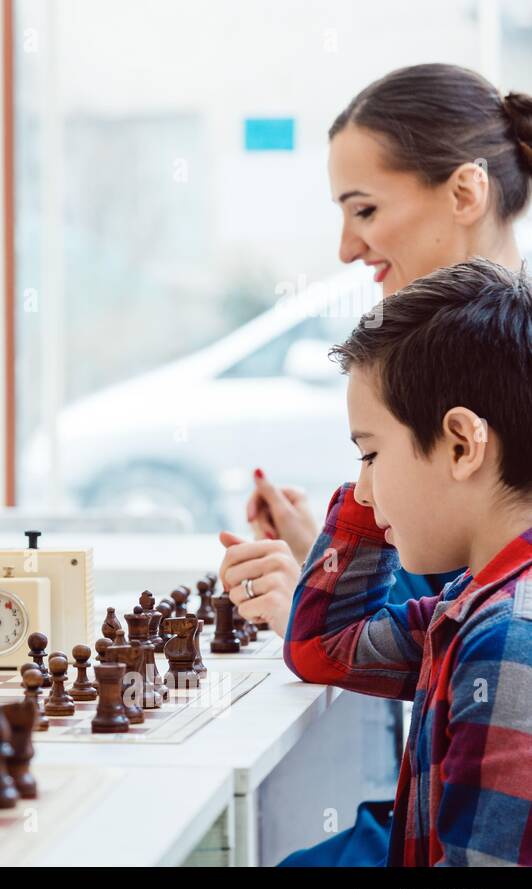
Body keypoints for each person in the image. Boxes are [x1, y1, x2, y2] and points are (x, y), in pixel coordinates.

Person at [221, 64, 529, 634]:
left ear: (465, 192)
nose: (345, 248)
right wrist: (328, 556)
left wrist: (307, 608)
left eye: (365, 210)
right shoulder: (428, 359)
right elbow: (451, 598)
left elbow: (489, 641)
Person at [286, 258, 532, 866]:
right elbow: (324, 644)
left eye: (368, 455)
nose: (361, 492)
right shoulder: (467, 608)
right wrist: (381, 500)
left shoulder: (506, 638)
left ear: (461, 445)